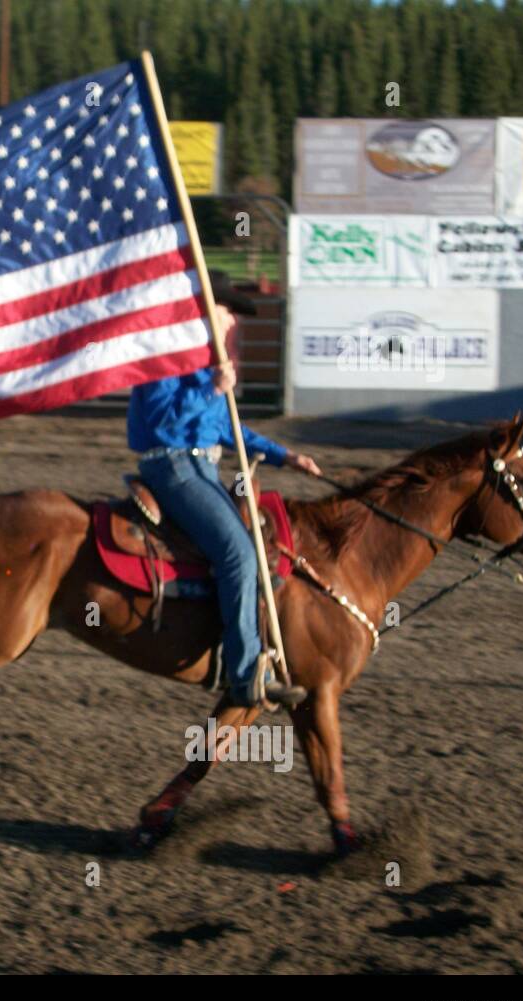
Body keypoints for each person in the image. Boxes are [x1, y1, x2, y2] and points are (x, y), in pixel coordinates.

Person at [127, 274, 321, 710]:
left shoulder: (205, 363)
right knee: (237, 553)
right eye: (225, 312)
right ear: (199, 312)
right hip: (171, 464)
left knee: (253, 546)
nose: (232, 322)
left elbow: (225, 427)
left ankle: (239, 641)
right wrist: (211, 388)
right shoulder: (165, 354)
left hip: (201, 466)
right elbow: (163, 423)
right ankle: (245, 673)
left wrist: (283, 455)